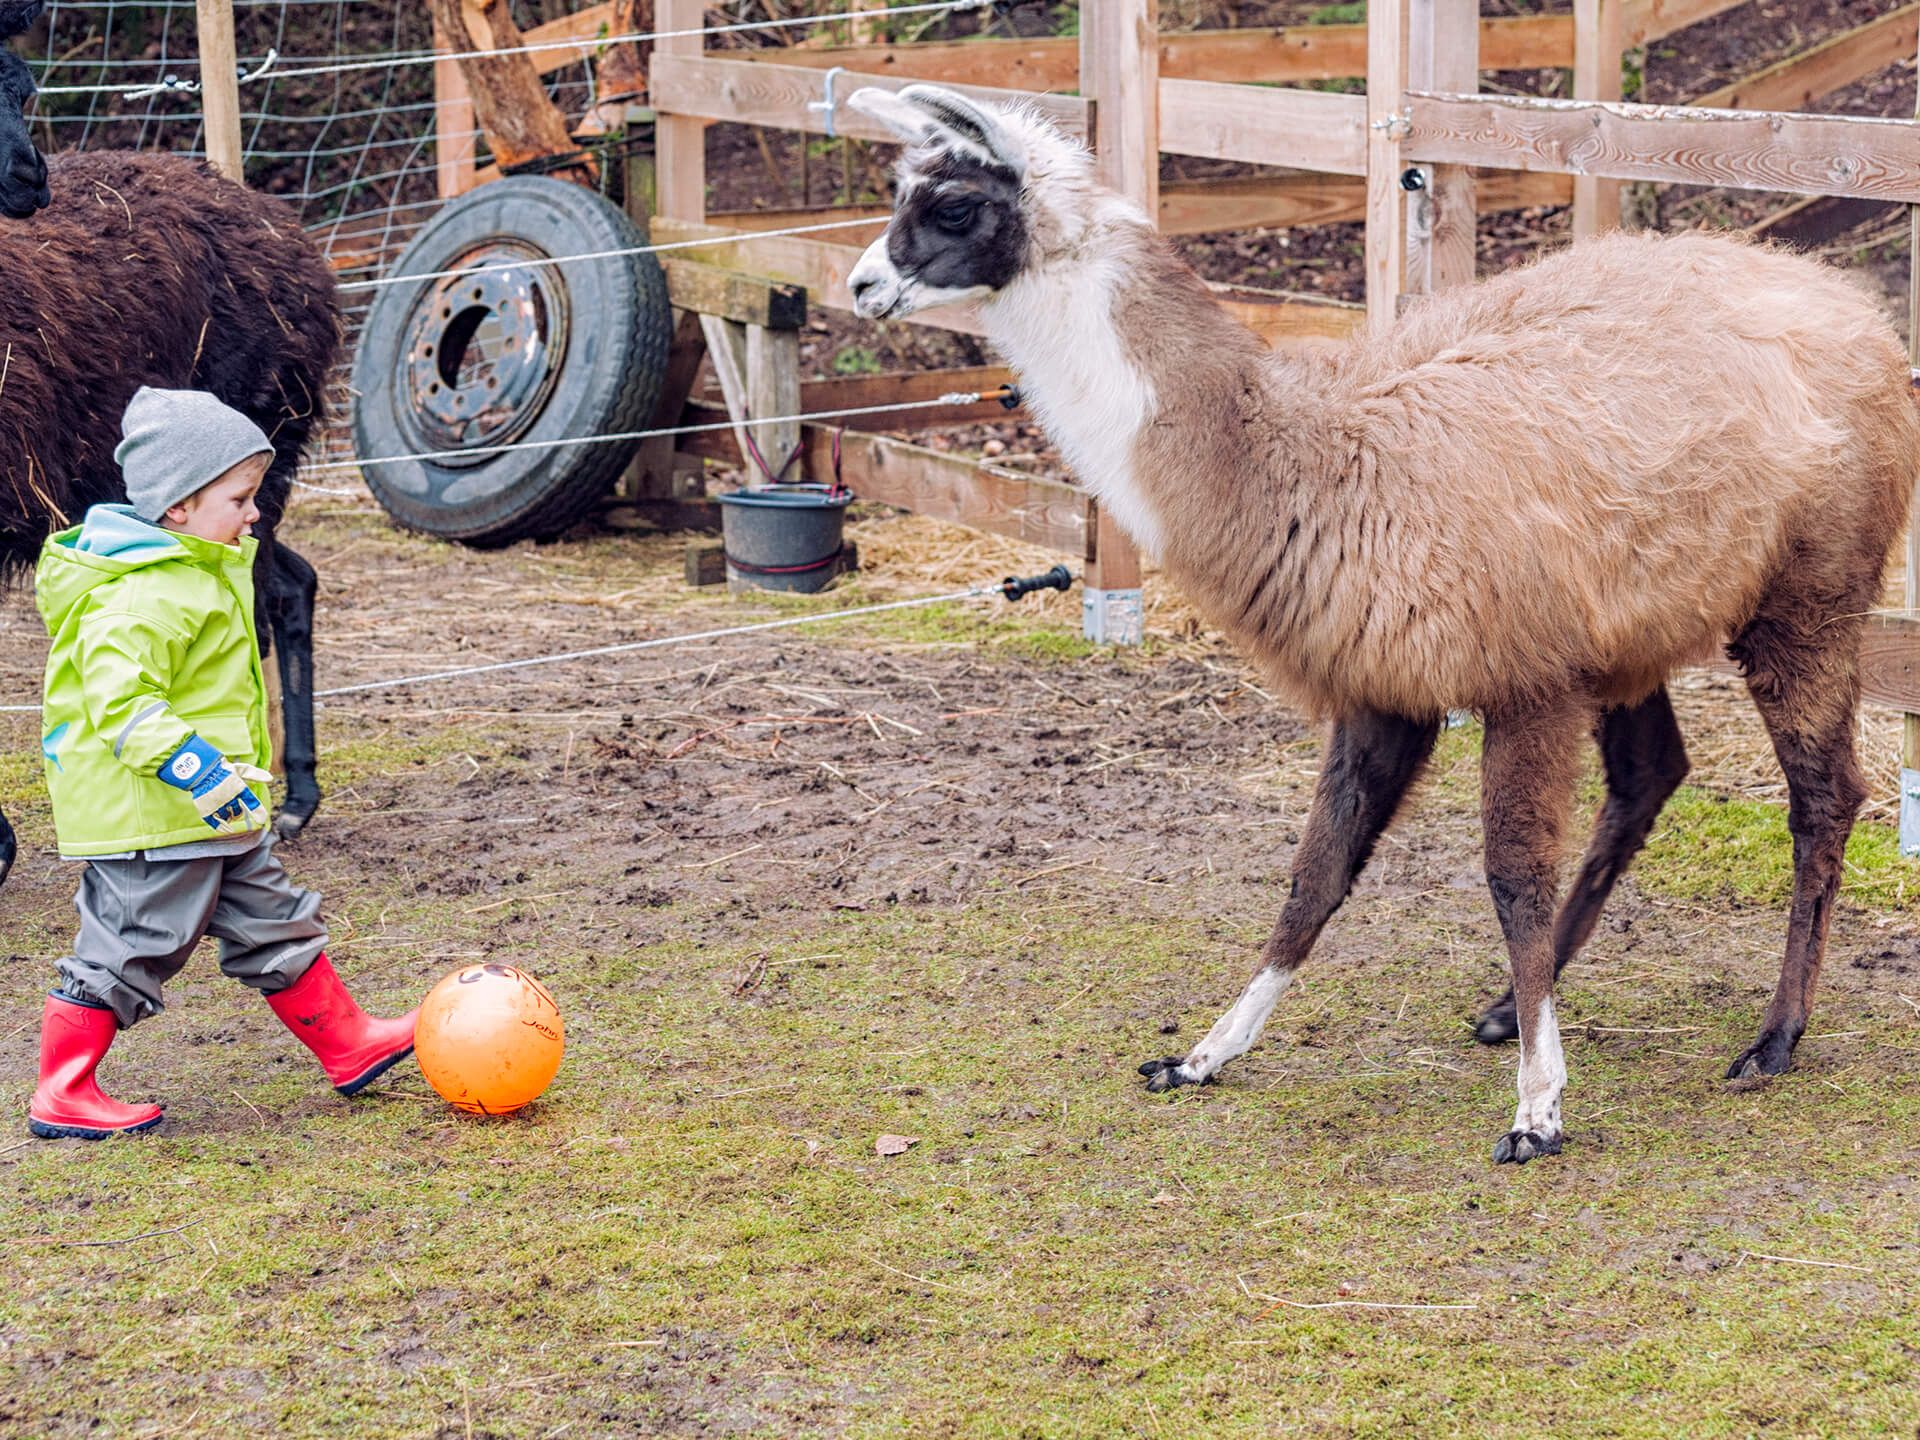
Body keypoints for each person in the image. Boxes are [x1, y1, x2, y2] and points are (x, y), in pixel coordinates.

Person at [26, 386, 416, 1139]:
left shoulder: (200, 571)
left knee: (275, 922)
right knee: (132, 946)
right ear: (178, 506)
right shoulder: (139, 598)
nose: (255, 513)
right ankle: (62, 1090)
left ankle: (348, 1044)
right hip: (154, 817)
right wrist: (198, 769)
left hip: (217, 808)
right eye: (238, 498)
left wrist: (222, 780)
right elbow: (122, 707)